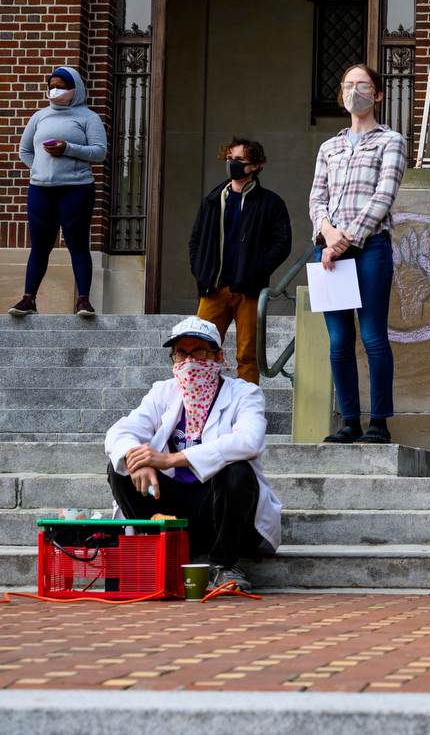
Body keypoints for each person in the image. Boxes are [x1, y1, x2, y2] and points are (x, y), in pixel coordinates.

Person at [105, 316, 281, 593]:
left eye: (198, 352)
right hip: (175, 513)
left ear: (219, 356)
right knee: (121, 467)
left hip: (225, 513)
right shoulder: (162, 392)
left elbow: (249, 441)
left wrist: (170, 460)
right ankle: (158, 558)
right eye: (181, 353)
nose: (189, 361)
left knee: (236, 469)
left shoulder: (245, 393)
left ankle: (224, 566)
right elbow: (119, 432)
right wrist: (138, 460)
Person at [308, 63, 406, 444]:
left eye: (363, 85)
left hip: (370, 249)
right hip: (328, 252)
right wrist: (328, 234)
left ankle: (379, 422)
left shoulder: (391, 140)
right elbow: (317, 197)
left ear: (377, 94)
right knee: (338, 341)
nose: (355, 91)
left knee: (373, 336)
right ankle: (349, 421)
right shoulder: (328, 147)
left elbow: (385, 194)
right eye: (348, 85)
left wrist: (346, 239)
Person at [189, 137, 292, 385]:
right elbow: (196, 240)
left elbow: (282, 244)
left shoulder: (271, 202)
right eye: (229, 159)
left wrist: (256, 272)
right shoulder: (212, 200)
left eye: (239, 160)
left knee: (248, 357)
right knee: (199, 352)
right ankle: (201, 408)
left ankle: (248, 414)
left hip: (249, 290)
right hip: (213, 289)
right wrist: (201, 271)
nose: (232, 164)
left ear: (255, 165)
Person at [10, 67, 107, 317]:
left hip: (77, 189)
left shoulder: (88, 117)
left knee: (78, 246)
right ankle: (28, 300)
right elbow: (25, 151)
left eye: (61, 86)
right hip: (41, 190)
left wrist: (67, 149)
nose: (55, 90)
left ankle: (83, 301)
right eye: (52, 85)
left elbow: (99, 152)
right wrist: (41, 170)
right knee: (39, 248)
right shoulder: (39, 116)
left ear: (74, 88)